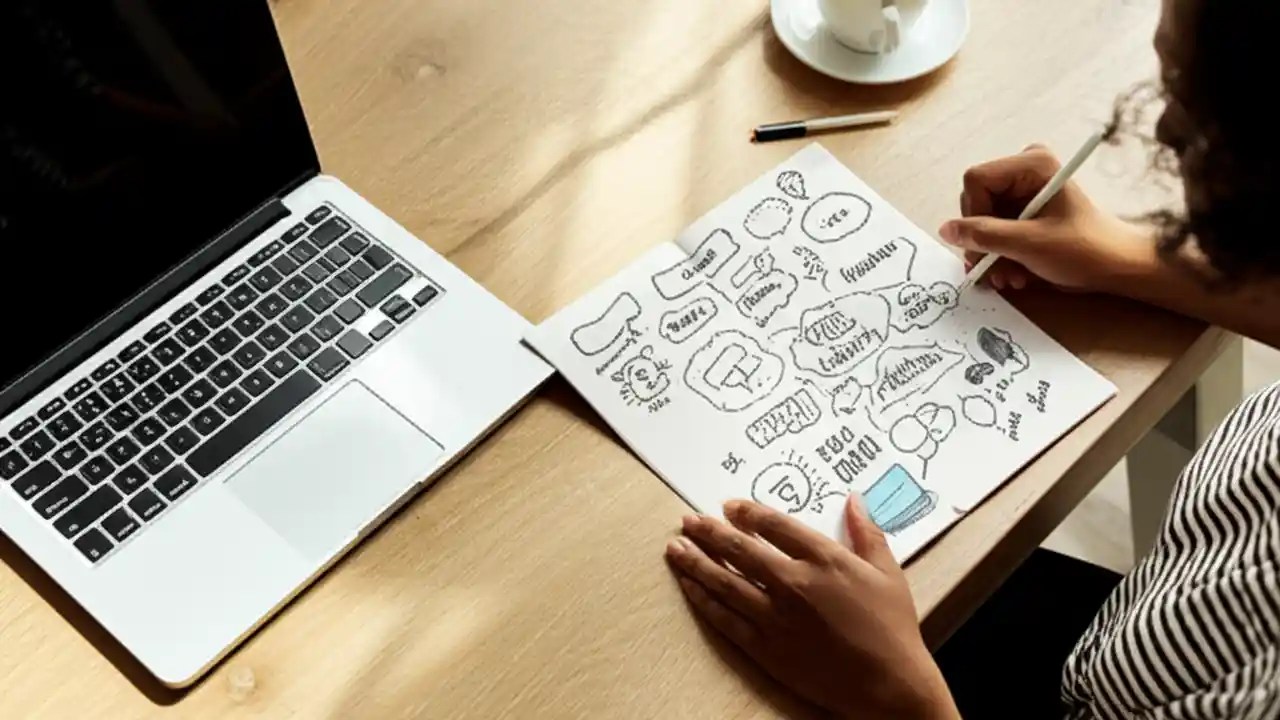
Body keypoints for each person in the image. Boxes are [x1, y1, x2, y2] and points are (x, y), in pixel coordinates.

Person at [663, 0, 1280, 716]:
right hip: (1144, 627)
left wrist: (899, 696)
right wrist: (1121, 262)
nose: (1163, 125)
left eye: (1191, 94)